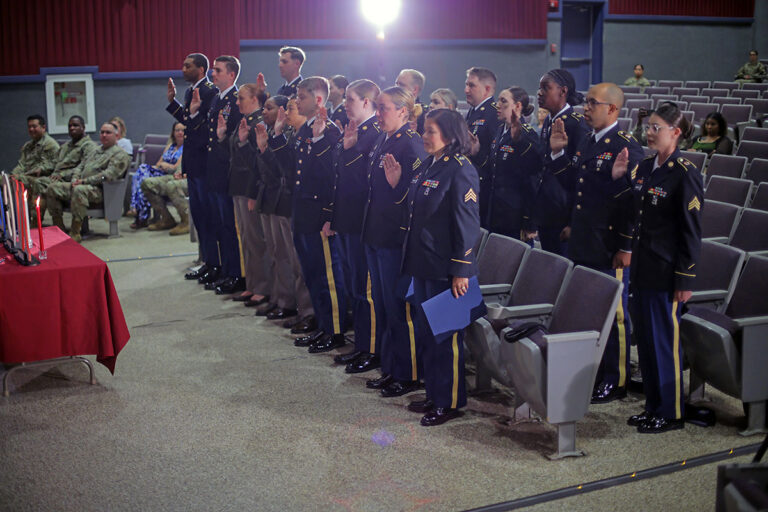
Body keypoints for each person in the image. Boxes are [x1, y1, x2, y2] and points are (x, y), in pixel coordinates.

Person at [549, 82, 644, 404]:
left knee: (615, 314)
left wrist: (627, 247)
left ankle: (616, 379)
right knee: (590, 309)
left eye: (592, 103)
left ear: (612, 109)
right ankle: (596, 370)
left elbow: (633, 204)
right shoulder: (589, 140)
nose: (585, 107)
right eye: (586, 102)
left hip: (609, 244)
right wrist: (558, 152)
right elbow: (577, 188)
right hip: (584, 239)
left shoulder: (626, 146)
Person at [614, 101, 703, 433]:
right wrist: (620, 179)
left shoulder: (685, 173)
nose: (649, 133)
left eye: (656, 128)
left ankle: (671, 411)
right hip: (642, 268)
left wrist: (685, 278)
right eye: (648, 127)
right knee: (647, 343)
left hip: (666, 272)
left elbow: (691, 232)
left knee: (664, 342)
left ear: (675, 132)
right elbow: (636, 212)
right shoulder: (645, 168)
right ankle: (653, 406)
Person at [401, 109, 480, 426]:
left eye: (431, 131)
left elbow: (468, 225)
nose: (424, 135)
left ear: (449, 135)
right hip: (423, 262)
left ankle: (450, 402)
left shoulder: (461, 170)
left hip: (448, 269)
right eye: (424, 130)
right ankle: (434, 393)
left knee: (446, 338)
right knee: (427, 332)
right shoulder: (429, 165)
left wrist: (462, 270)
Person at [269, 77, 347, 353]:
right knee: (312, 273)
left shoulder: (331, 132)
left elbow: (331, 178)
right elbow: (292, 170)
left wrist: (329, 215)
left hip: (319, 214)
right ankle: (323, 326)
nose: (296, 100)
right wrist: (277, 137)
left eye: (301, 96)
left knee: (328, 276)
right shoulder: (303, 132)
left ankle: (335, 330)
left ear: (317, 100)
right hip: (302, 211)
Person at [361, 86, 427, 398]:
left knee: (399, 308)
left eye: (383, 108)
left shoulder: (411, 145)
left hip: (394, 238)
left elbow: (417, 198)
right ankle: (391, 368)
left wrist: (399, 185)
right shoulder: (382, 139)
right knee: (385, 306)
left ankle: (408, 373)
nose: (378, 114)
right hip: (376, 232)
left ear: (403, 110)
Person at [320, 79, 384, 374]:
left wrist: (350, 149)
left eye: (350, 100)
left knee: (364, 290)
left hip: (362, 222)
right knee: (353, 286)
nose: (345, 104)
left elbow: (364, 183)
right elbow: (339, 179)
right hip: (347, 220)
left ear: (367, 103)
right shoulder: (354, 132)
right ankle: (360, 344)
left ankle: (371, 348)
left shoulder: (375, 134)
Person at [254, 96, 317, 332]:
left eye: (292, 108)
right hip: (280, 201)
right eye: (291, 107)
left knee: (298, 262)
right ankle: (287, 302)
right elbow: (277, 170)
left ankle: (306, 311)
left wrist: (271, 144)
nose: (291, 111)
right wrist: (264, 148)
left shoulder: (307, 135)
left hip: (295, 203)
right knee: (281, 256)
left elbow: (290, 173)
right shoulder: (291, 134)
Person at [166, 53, 219, 283]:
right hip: (194, 164)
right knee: (198, 216)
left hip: (205, 163)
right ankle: (206, 261)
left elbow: (205, 126)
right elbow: (189, 121)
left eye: (188, 66)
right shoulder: (190, 91)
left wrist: (192, 112)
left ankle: (213, 263)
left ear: (201, 69)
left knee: (208, 217)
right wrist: (173, 104)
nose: (183, 69)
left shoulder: (209, 91)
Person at [218, 83, 271, 302]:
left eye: (241, 98)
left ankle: (263, 287)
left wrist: (253, 193)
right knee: (247, 240)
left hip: (249, 188)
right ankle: (252, 282)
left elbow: (258, 163)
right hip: (238, 186)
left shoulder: (258, 124)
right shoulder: (245, 121)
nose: (237, 102)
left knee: (256, 240)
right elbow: (233, 157)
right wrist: (223, 138)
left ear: (255, 100)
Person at [529, 68, 589, 255]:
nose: (540, 93)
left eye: (546, 88)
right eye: (540, 88)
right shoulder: (549, 120)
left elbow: (580, 179)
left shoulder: (576, 124)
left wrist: (572, 222)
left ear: (563, 91)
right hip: (549, 210)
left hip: (563, 214)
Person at [46, 121, 131, 242]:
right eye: (102, 132)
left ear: (116, 136)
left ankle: (75, 232)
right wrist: (75, 179)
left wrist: (84, 182)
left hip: (102, 191)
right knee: (52, 188)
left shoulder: (120, 154)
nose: (104, 135)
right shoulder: (95, 150)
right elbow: (80, 167)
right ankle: (59, 227)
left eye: (108, 132)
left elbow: (108, 176)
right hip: (82, 185)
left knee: (79, 190)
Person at [204, 55, 245, 295]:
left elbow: (230, 138)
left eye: (218, 70)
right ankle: (226, 269)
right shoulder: (218, 99)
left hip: (227, 172)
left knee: (230, 227)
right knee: (220, 225)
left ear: (231, 74)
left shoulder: (234, 100)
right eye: (213, 70)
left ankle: (236, 274)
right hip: (214, 171)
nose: (213, 74)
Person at [486, 86, 542, 239]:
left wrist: (529, 222)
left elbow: (532, 179)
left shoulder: (527, 135)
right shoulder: (500, 130)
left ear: (517, 106)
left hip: (515, 216)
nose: (498, 105)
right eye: (498, 100)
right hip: (497, 212)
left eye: (503, 101)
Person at [36, 115, 97, 222]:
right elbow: (55, 163)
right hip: (57, 178)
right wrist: (41, 169)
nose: (72, 128)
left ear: (83, 127)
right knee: (36, 182)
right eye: (69, 126)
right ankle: (38, 221)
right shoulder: (65, 146)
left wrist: (62, 175)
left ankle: (53, 223)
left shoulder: (89, 146)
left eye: (75, 125)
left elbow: (85, 168)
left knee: (46, 186)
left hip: (72, 180)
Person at [129, 122, 184, 229]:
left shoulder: (187, 147)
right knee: (140, 173)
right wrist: (161, 166)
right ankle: (141, 213)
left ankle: (138, 211)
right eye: (177, 130)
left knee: (141, 174)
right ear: (173, 132)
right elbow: (159, 163)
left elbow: (176, 168)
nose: (180, 132)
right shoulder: (170, 146)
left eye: (182, 130)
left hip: (172, 175)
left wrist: (166, 165)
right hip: (161, 172)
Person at [464, 67, 501, 228]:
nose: (466, 90)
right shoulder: (473, 112)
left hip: (484, 189)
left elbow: (496, 159)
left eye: (471, 85)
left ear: (487, 89)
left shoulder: (494, 114)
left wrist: (477, 154)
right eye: (466, 84)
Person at [11, 114, 60, 219]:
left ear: (43, 127)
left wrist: (38, 170)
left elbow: (55, 164)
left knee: (35, 183)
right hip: (28, 176)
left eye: (34, 126)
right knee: (8, 180)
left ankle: (34, 220)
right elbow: (22, 164)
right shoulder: (28, 146)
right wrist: (14, 174)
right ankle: (13, 219)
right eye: (29, 127)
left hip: (45, 178)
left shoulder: (50, 144)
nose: (31, 129)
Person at [395, 69, 428, 134]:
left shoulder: (425, 115)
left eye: (401, 85)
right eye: (396, 83)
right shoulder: (388, 106)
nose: (396, 88)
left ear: (415, 89)